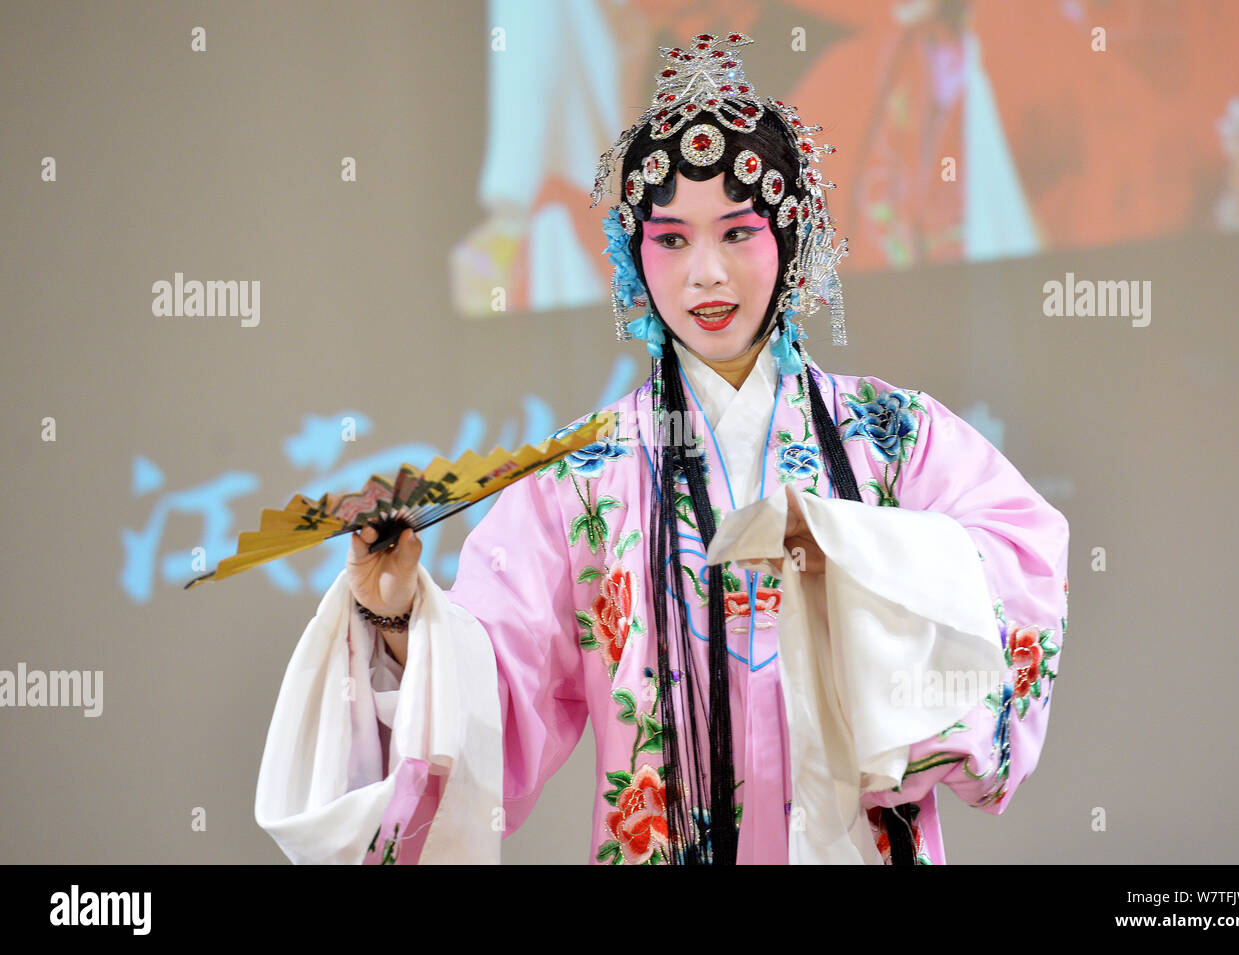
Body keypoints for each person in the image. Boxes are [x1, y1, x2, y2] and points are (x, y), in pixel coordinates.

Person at [254, 30, 1069, 866]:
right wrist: (396, 617)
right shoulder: (582, 479)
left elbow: (1021, 561)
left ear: (790, 241)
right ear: (633, 257)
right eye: (672, 239)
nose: (705, 274)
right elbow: (492, 698)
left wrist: (849, 548)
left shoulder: (889, 437)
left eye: (738, 232)